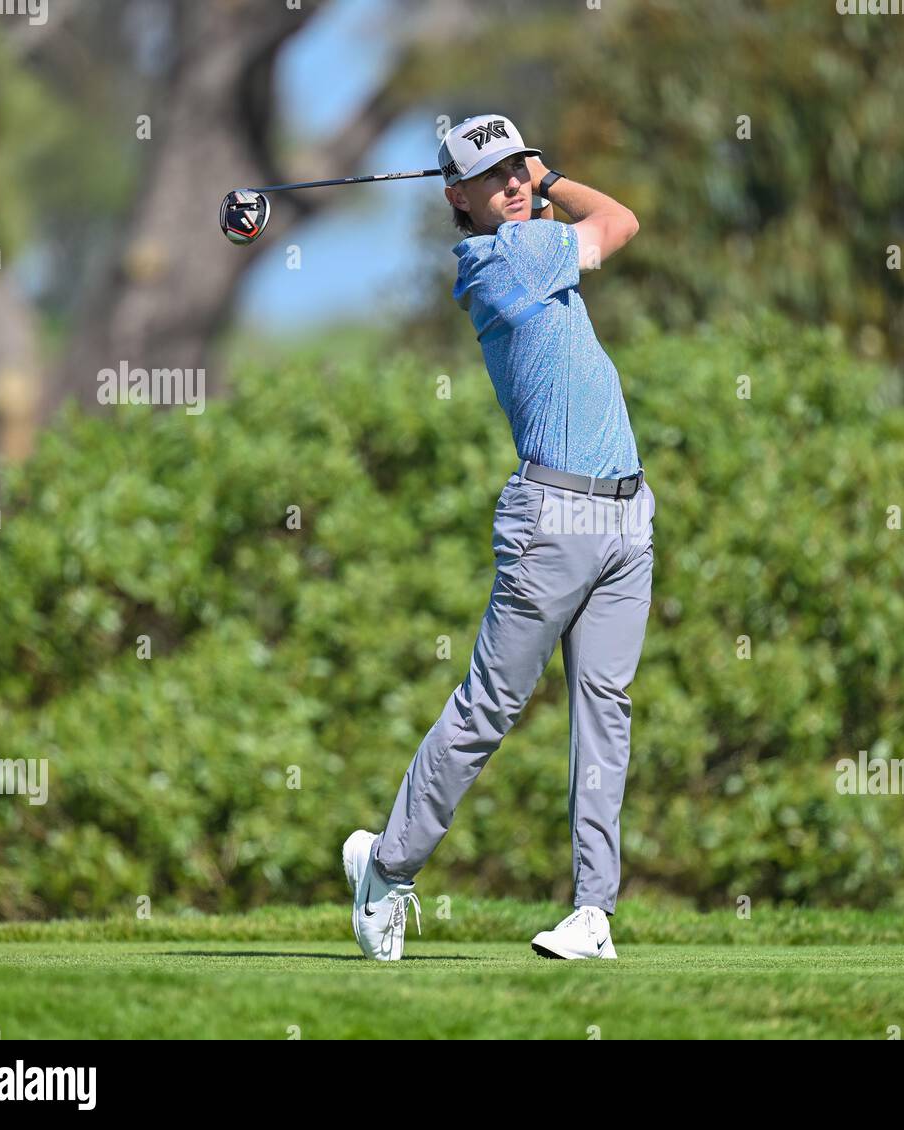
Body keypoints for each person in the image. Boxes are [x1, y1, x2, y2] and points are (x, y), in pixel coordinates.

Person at [342, 114, 654, 961]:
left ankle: (594, 914)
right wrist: (555, 180)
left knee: (605, 716)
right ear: (460, 200)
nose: (515, 184)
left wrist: (537, 182)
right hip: (554, 520)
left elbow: (603, 228)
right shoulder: (505, 258)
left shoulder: (534, 250)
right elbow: (620, 220)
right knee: (491, 707)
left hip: (628, 514)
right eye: (496, 177)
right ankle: (389, 869)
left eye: (519, 168)